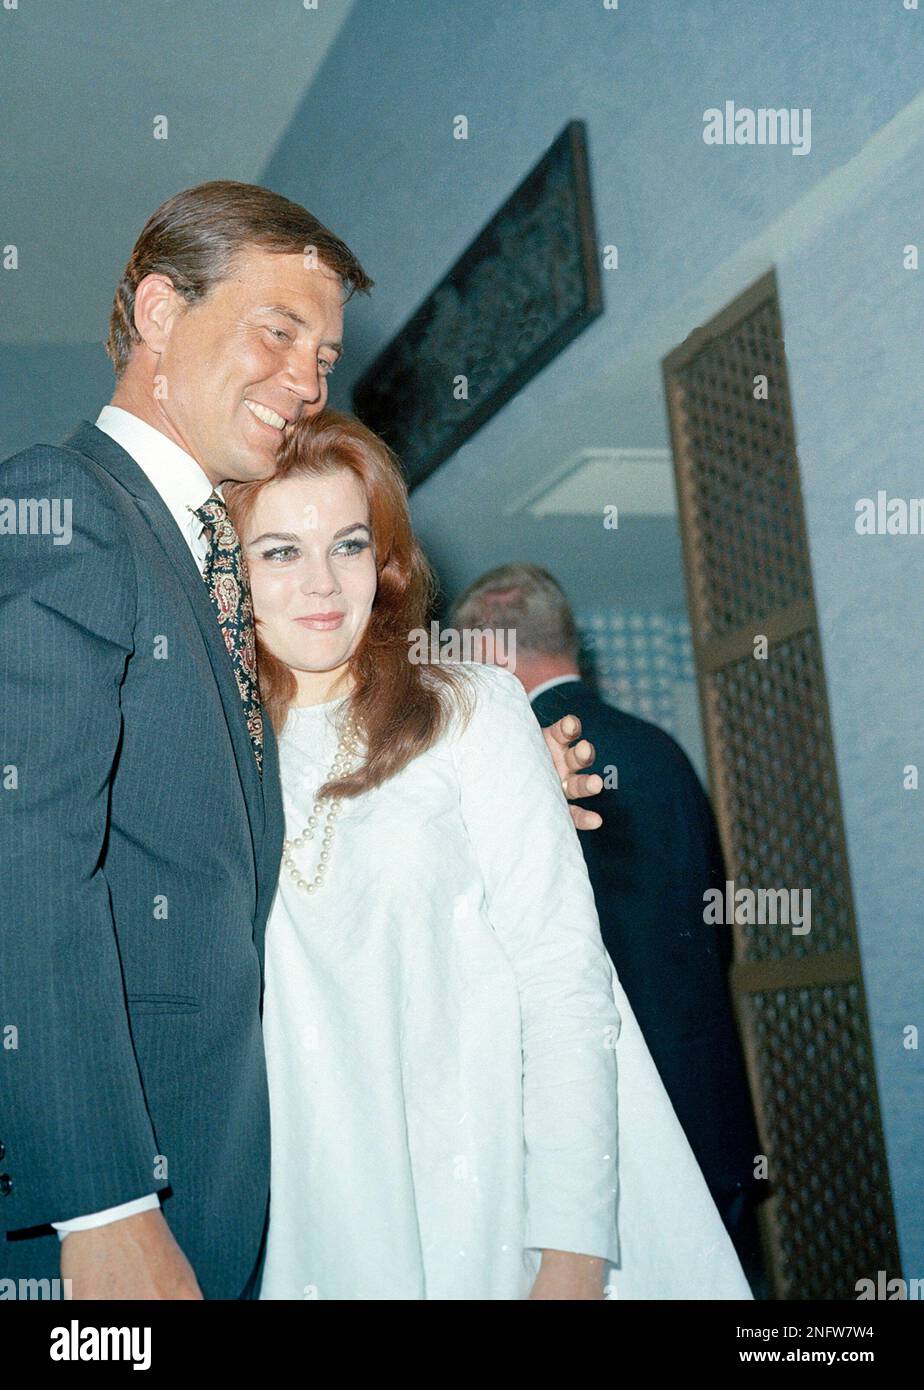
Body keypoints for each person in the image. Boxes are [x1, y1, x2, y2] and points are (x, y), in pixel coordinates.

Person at [0, 182, 599, 1301]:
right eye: (278, 332)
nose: (308, 380)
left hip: (236, 1213)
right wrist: (104, 1205)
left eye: (323, 354)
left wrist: (486, 795)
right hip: (108, 1219)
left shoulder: (198, 564)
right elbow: (21, 850)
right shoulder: (71, 506)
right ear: (162, 314)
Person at [224, 410, 754, 1301]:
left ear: (383, 562)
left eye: (347, 545)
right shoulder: (213, 754)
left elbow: (565, 984)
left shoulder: (469, 709)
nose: (320, 583)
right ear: (229, 571)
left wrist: (575, 1253)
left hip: (491, 1199)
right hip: (313, 1219)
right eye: (279, 551)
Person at [450, 563, 767, 1292]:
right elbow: (715, 931)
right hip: (712, 1112)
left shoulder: (526, 762)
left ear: (489, 651)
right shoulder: (666, 750)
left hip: (613, 1130)